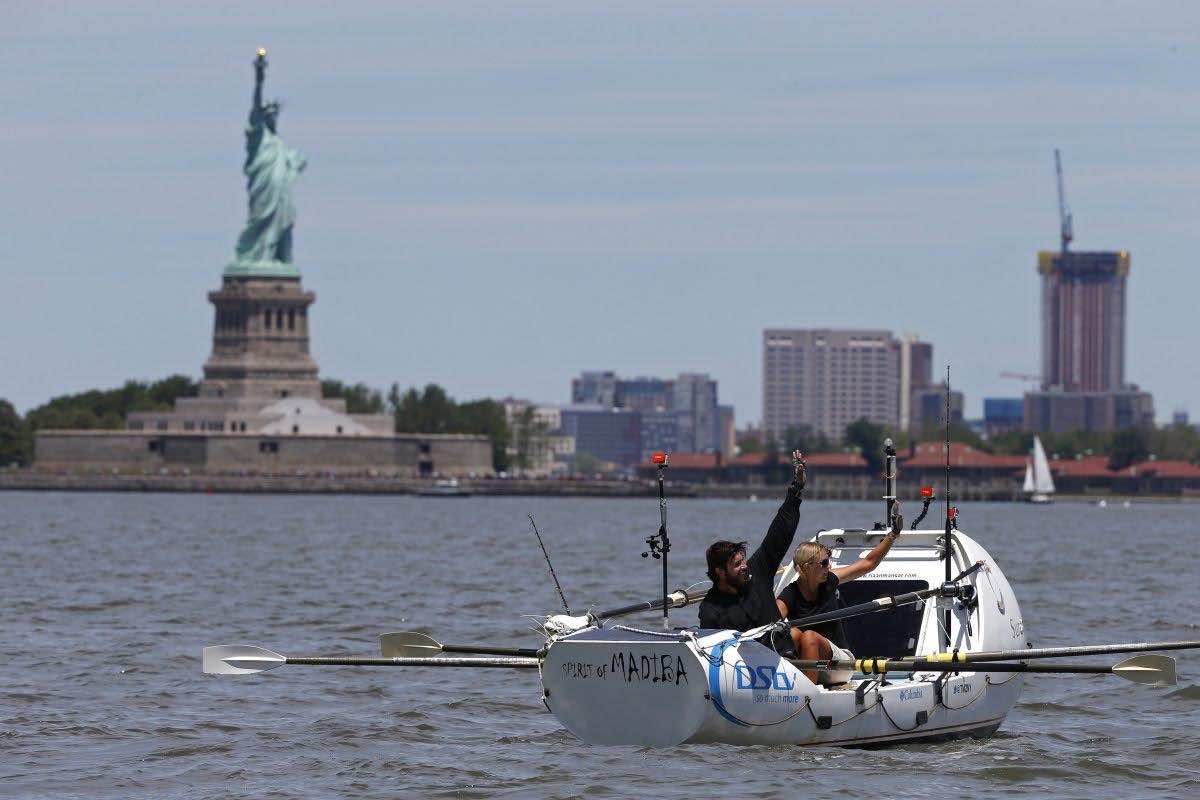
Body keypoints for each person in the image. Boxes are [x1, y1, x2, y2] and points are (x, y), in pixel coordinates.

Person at [776, 507, 903, 677]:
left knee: (809, 637)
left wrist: (892, 535)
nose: (829, 566)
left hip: (840, 664)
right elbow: (769, 622)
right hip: (808, 663)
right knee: (791, 633)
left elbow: (868, 563)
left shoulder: (829, 580)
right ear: (806, 568)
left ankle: (808, 696)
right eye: (824, 563)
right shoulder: (790, 594)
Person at [698, 450, 806, 638]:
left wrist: (796, 488)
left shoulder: (757, 572)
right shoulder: (710, 609)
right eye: (737, 564)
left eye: (743, 560)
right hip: (745, 665)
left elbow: (779, 533)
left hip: (785, 658)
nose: (744, 566)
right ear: (720, 572)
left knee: (802, 636)